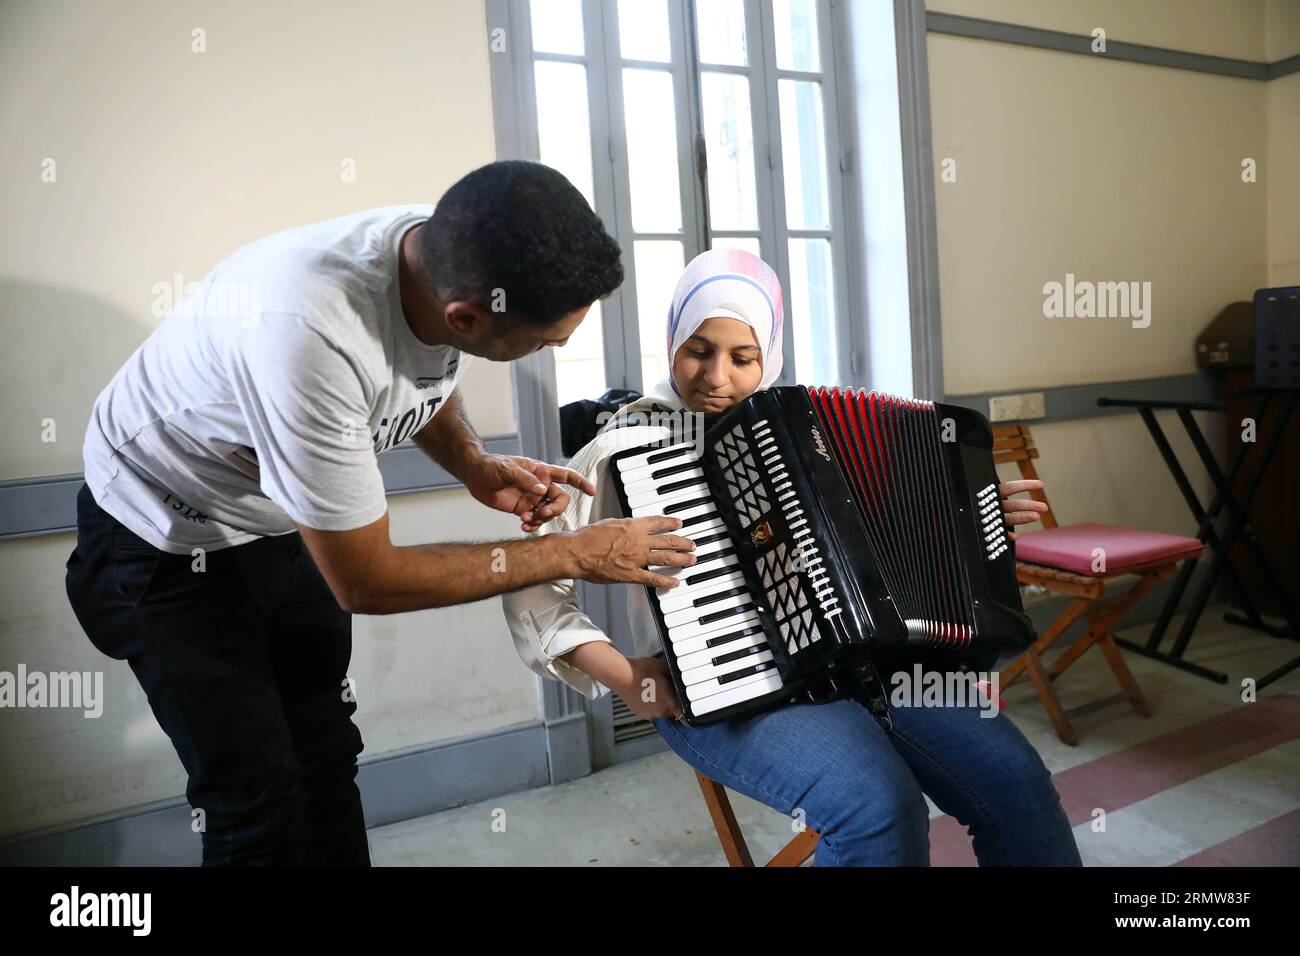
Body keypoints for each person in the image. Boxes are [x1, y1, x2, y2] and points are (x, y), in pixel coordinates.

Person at [64, 160, 696, 866]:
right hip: (164, 538)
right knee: (254, 802)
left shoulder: (443, 250)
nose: (559, 350)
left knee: (327, 753)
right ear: (467, 315)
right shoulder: (306, 338)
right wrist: (575, 552)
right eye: (546, 341)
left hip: (277, 521)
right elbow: (367, 582)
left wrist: (472, 463)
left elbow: (417, 367)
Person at [504, 247, 1082, 866]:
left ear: (768, 358)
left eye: (742, 357)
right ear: (671, 342)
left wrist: (973, 517)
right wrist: (625, 676)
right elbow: (528, 580)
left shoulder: (803, 429)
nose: (715, 376)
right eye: (698, 350)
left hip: (879, 661)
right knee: (879, 813)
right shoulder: (628, 446)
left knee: (1019, 787)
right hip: (726, 682)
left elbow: (898, 546)